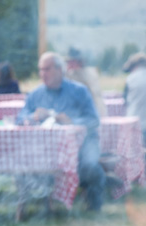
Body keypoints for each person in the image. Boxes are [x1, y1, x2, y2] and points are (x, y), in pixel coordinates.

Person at [17, 51, 105, 211]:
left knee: (90, 164)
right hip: (45, 150)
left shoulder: (79, 91)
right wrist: (33, 117)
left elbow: (93, 119)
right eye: (41, 70)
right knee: (24, 164)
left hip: (81, 145)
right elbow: (21, 118)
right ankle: (38, 204)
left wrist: (72, 122)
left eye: (47, 69)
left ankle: (94, 203)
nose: (43, 74)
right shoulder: (35, 94)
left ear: (60, 70)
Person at [122, 51, 146, 179]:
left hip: (136, 127)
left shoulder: (131, 79)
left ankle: (141, 171)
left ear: (134, 67)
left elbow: (125, 101)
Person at [66, 47, 106, 116]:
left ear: (79, 61)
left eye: (72, 61)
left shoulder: (82, 74)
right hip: (94, 110)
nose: (69, 64)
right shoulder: (90, 71)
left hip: (93, 111)